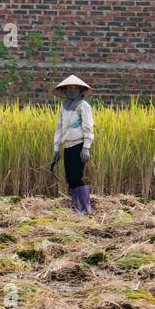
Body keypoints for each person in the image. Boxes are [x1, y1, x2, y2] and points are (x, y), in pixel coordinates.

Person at [51, 75, 95, 214]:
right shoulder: (64, 107)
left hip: (79, 145)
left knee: (76, 176)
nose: (71, 91)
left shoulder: (84, 106)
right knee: (69, 177)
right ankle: (77, 208)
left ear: (80, 90)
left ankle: (84, 209)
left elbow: (88, 126)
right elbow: (59, 128)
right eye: (68, 88)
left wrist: (86, 147)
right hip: (67, 146)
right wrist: (57, 150)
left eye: (74, 88)